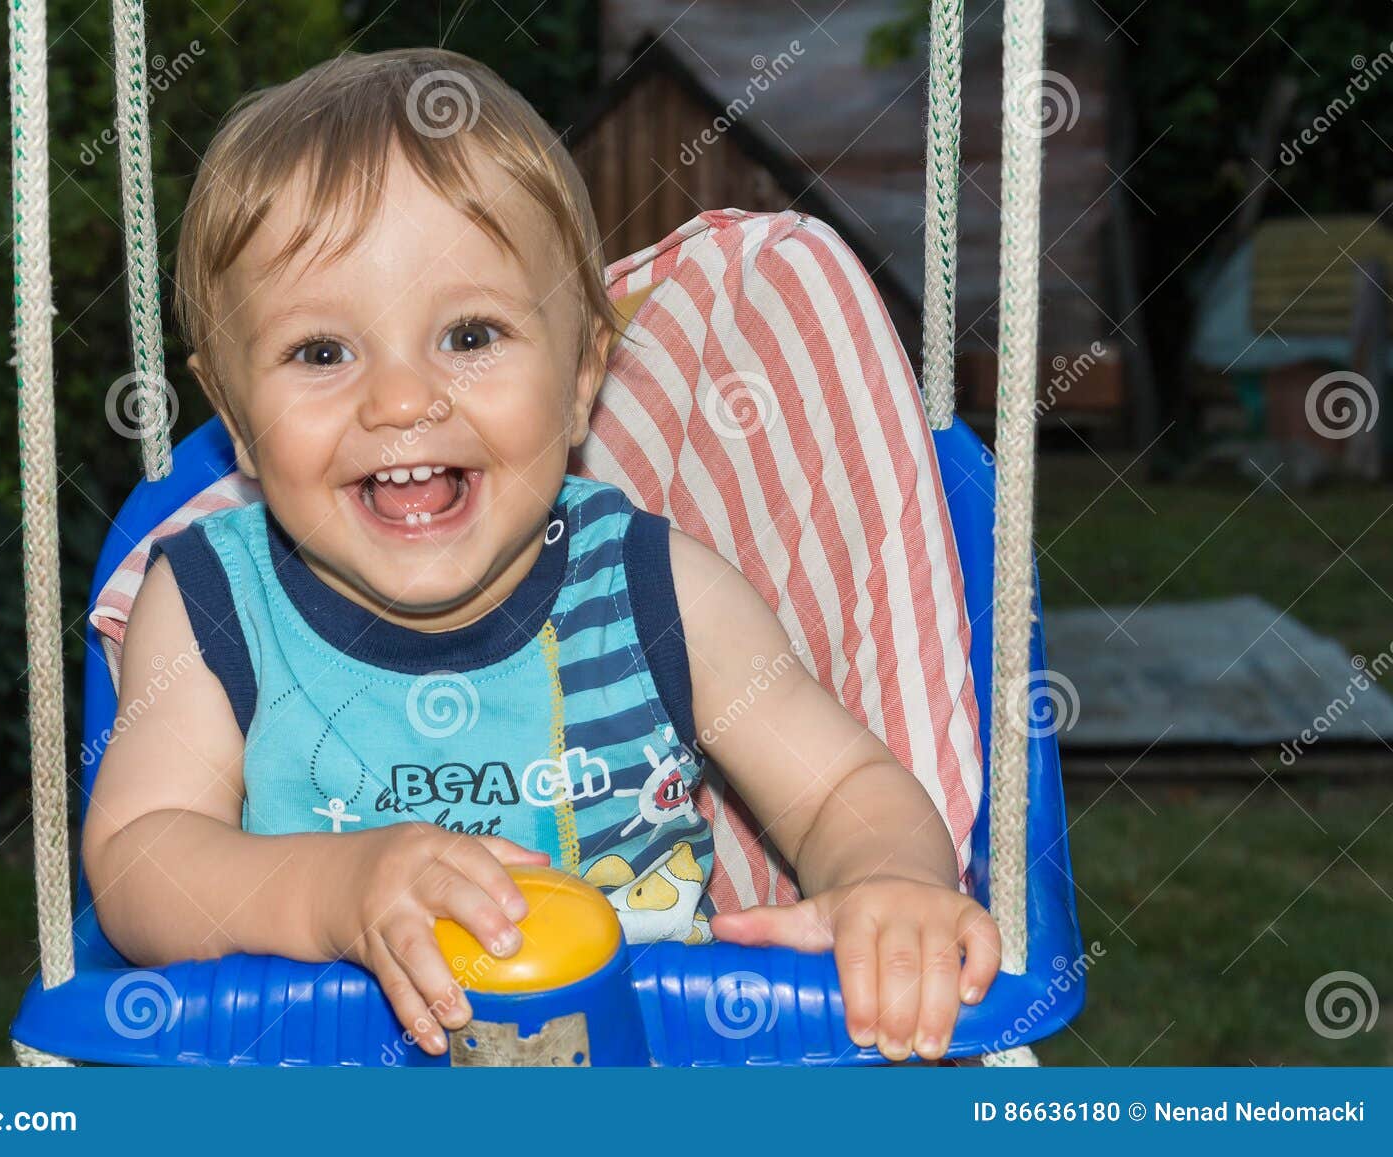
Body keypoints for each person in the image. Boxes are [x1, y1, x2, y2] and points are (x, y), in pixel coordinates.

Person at [81, 46, 999, 1063]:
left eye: (470, 334)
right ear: (237, 418)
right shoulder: (215, 608)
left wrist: (886, 887)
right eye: (320, 352)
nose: (399, 400)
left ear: (580, 378)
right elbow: (139, 862)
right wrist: (336, 892)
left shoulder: (657, 589)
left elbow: (840, 787)